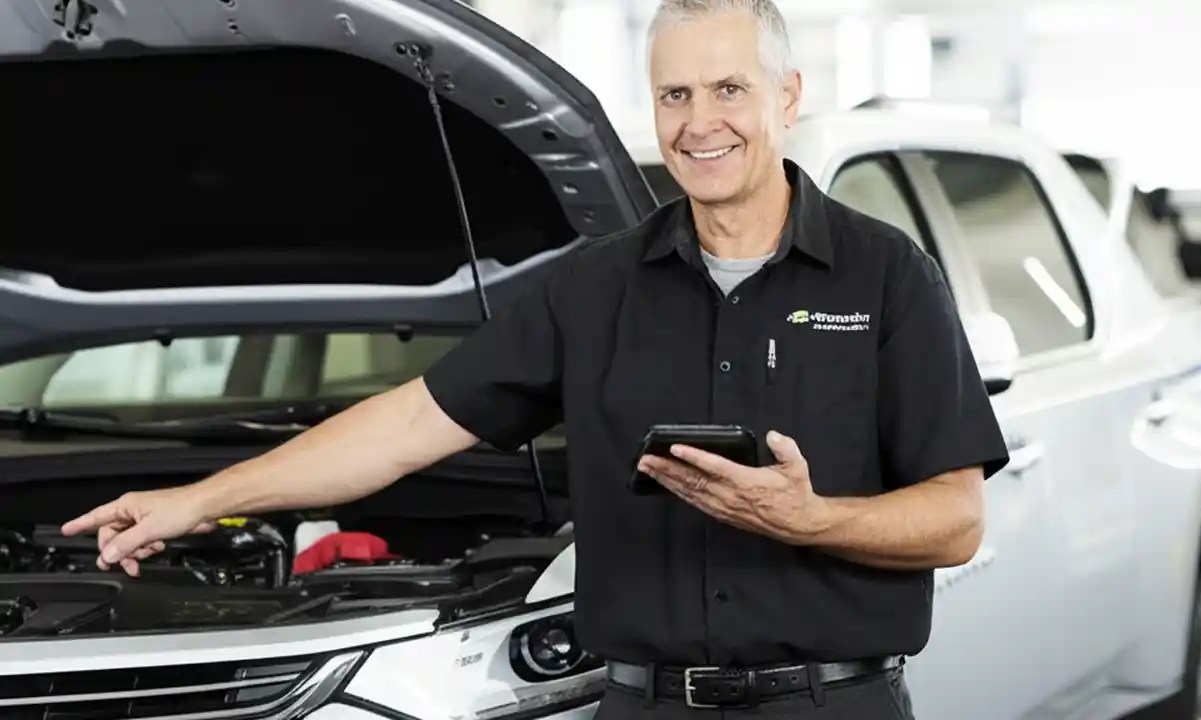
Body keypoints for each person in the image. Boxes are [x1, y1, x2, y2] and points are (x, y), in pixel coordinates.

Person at [61, 0, 1009, 717]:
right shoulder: (593, 289)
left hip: (831, 705)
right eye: (674, 93)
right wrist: (196, 500)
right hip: (644, 705)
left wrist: (807, 520)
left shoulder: (887, 277)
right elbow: (402, 429)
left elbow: (955, 519)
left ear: (787, 97)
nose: (699, 121)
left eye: (730, 90)